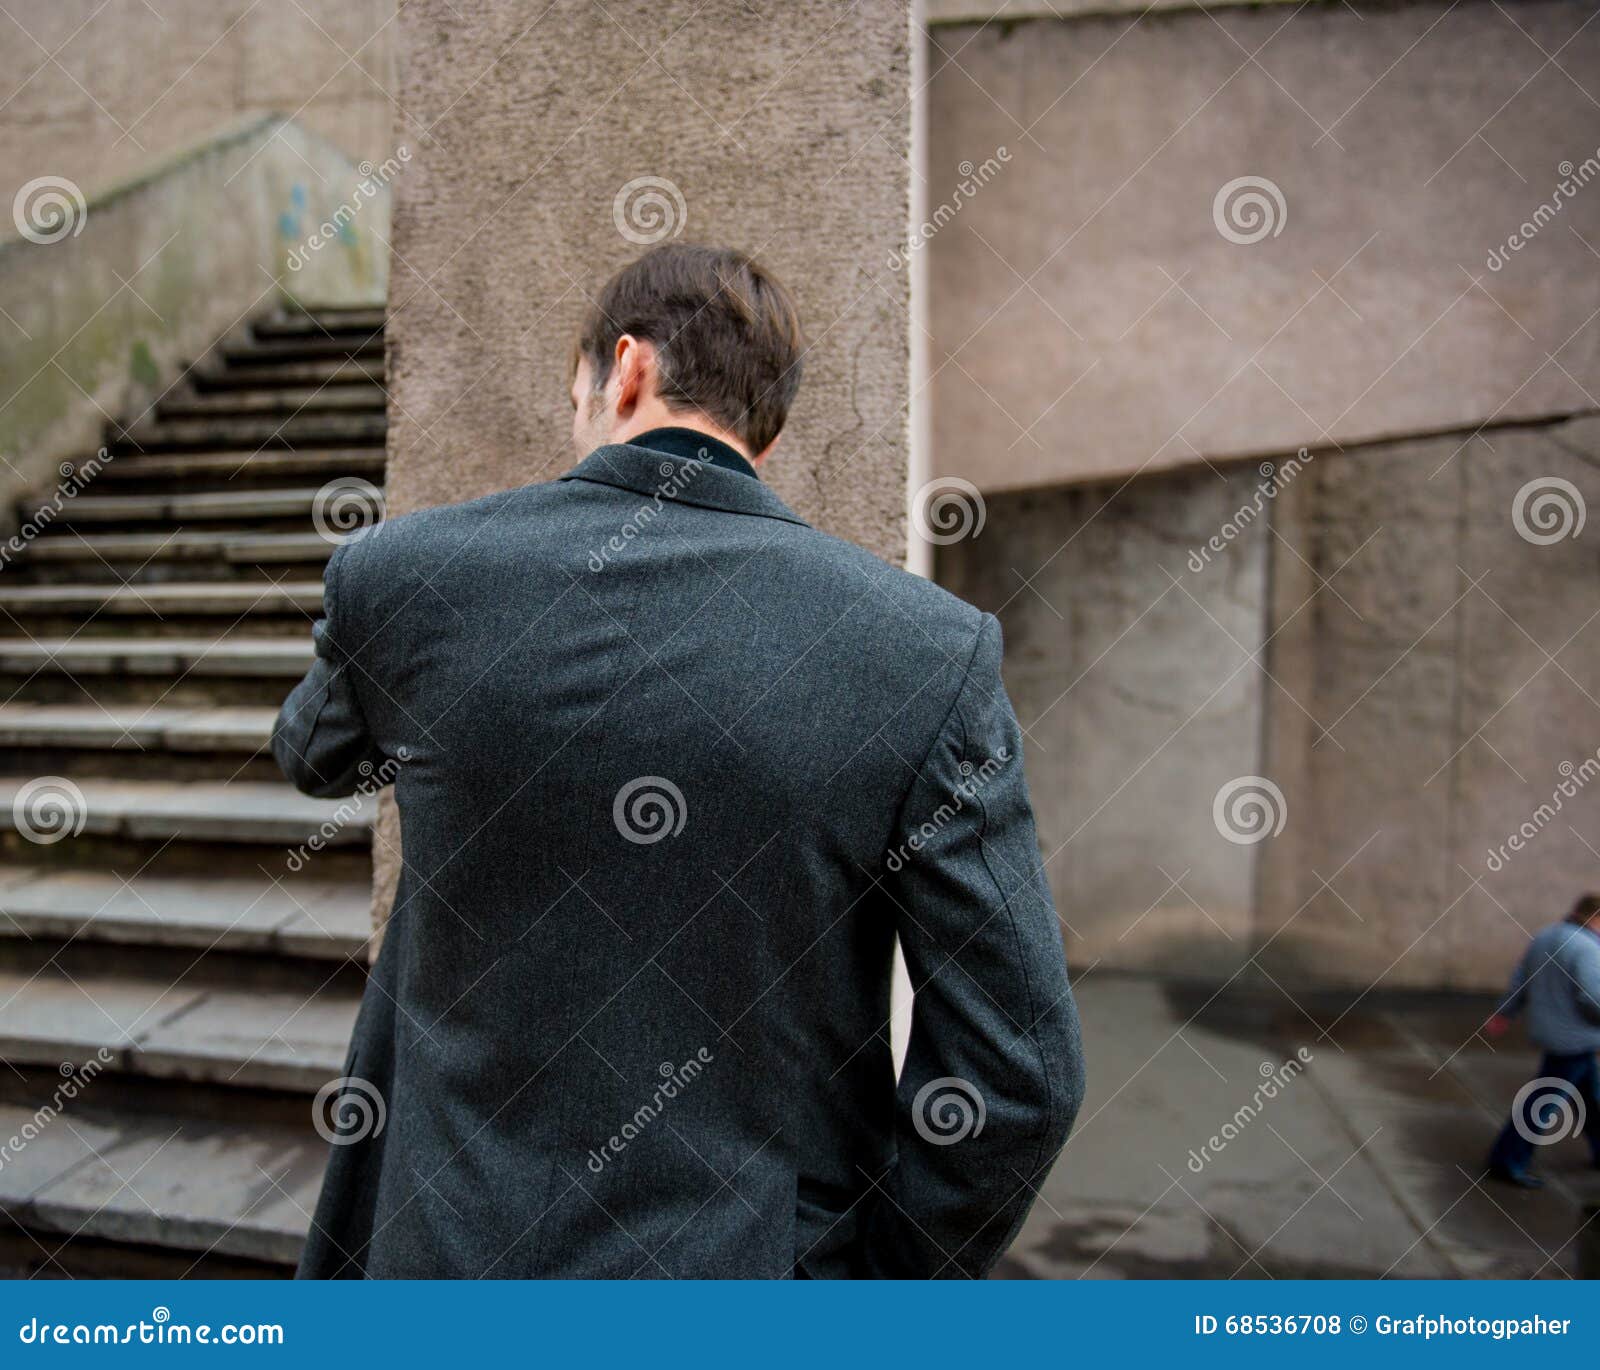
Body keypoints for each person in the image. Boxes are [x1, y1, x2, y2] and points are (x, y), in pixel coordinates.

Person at [273, 243, 1084, 1278]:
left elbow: (316, 755)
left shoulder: (403, 575)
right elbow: (1020, 1073)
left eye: (577, 392)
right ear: (768, 431)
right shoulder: (924, 653)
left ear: (625, 370)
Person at [1485, 893, 1600, 1188]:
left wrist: (1505, 1012)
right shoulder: (1587, 949)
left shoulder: (1546, 936)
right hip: (1573, 1039)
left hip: (1555, 1034)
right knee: (1542, 1102)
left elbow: (1521, 979)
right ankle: (1506, 1160)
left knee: (1590, 1096)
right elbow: (1592, 999)